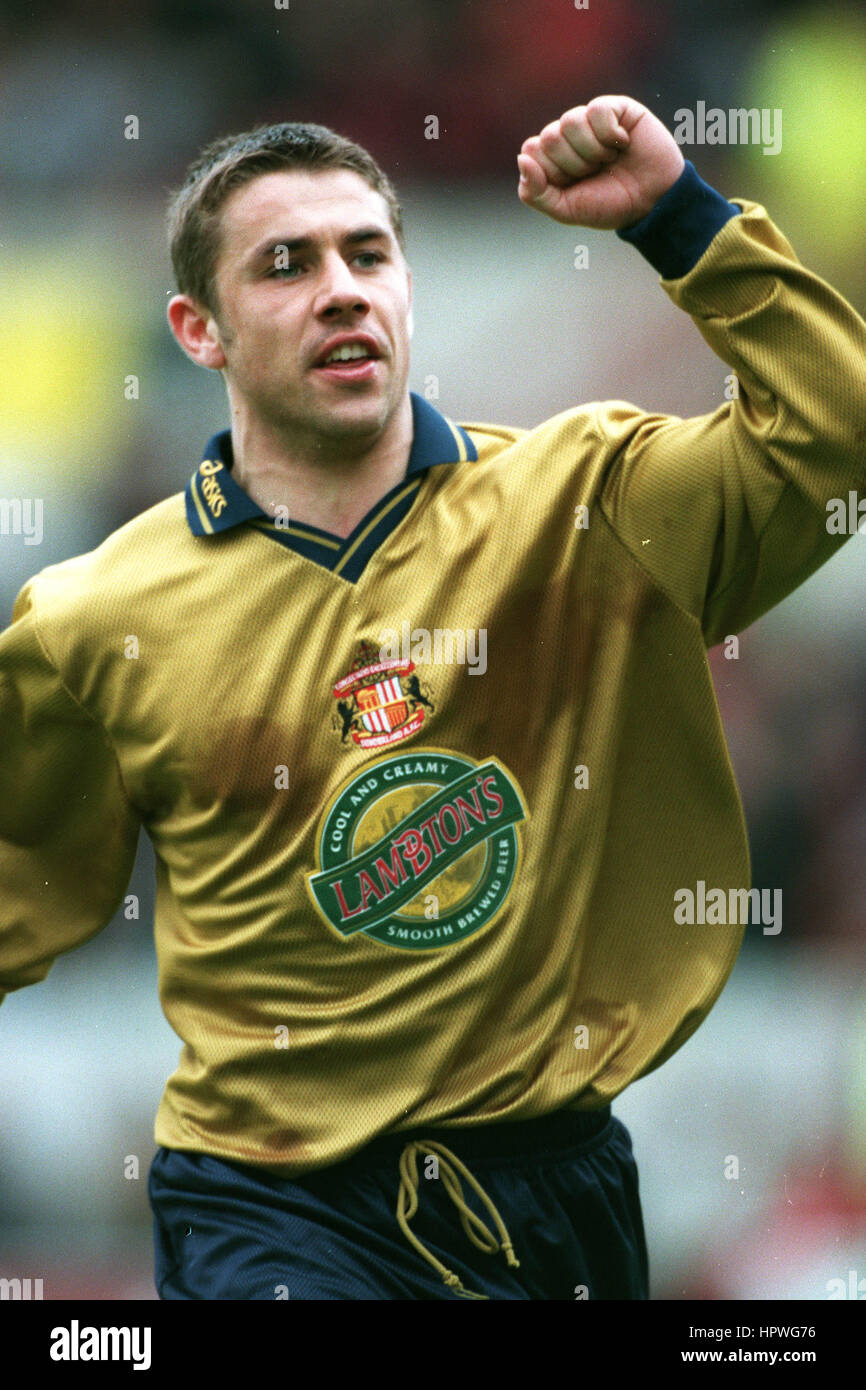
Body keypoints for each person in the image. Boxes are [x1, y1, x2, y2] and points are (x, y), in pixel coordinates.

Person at [1, 96, 863, 1301]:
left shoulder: (583, 504)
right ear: (197, 330)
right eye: (285, 265)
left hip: (558, 1189)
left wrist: (679, 218)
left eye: (369, 253)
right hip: (272, 1204)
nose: (342, 288)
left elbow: (835, 429)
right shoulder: (96, 616)